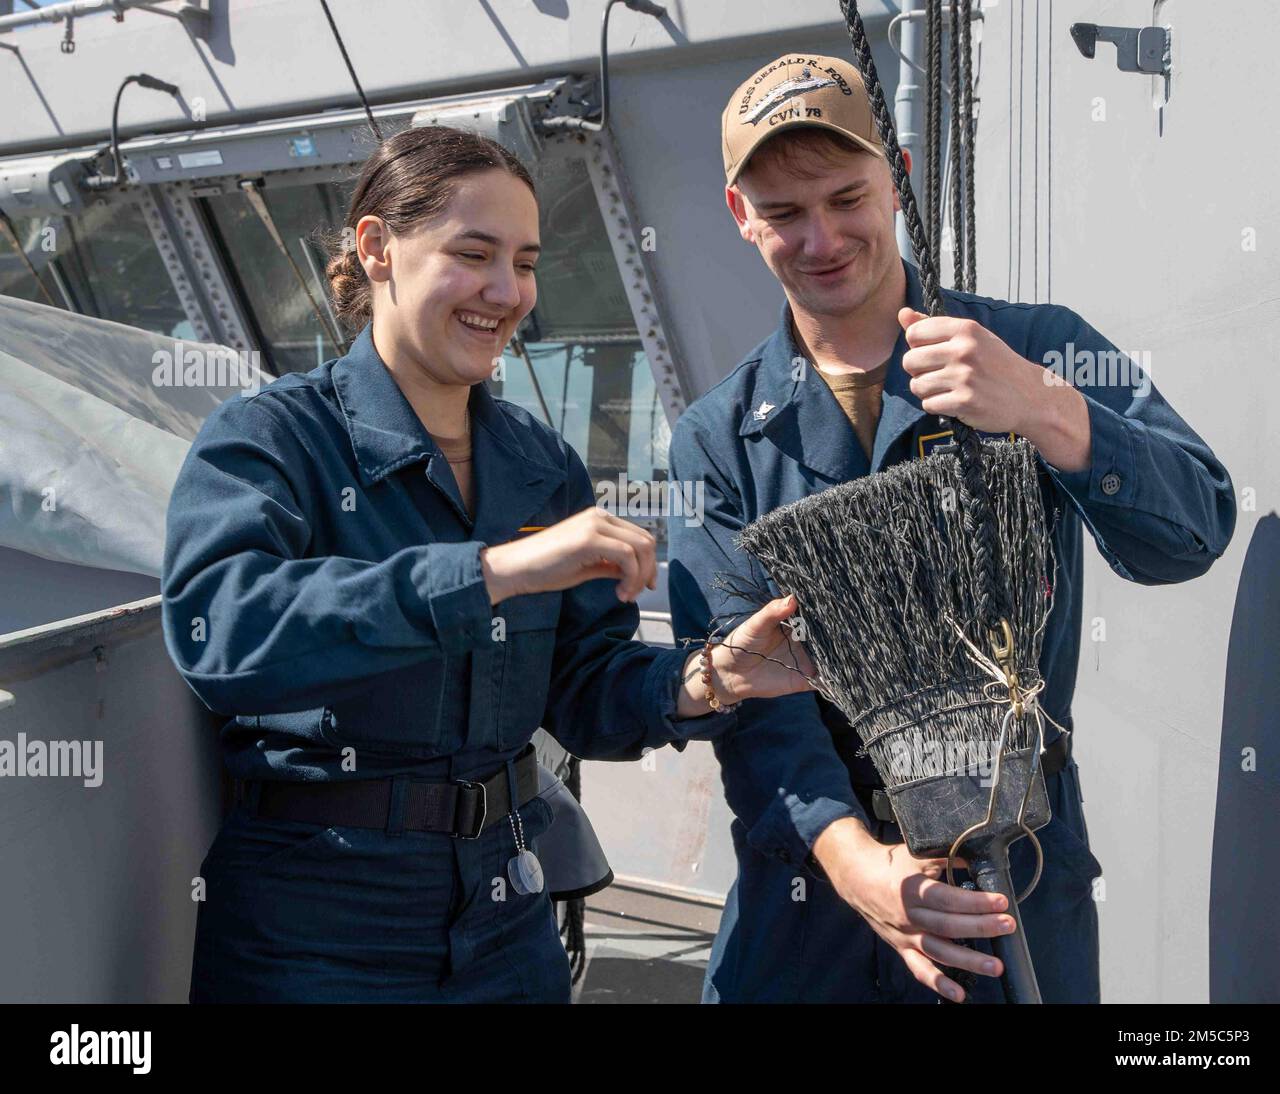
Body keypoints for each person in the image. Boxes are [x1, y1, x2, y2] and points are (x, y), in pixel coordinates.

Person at [161, 125, 813, 1003]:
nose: (507, 293)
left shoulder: (539, 466)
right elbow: (221, 632)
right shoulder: (272, 436)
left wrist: (703, 680)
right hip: (316, 923)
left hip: (508, 913)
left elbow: (583, 687)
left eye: (526, 262)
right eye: (474, 254)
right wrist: (490, 572)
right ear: (377, 247)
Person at [667, 53, 1237, 1003]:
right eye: (783, 214)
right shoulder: (717, 437)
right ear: (740, 214)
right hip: (814, 902)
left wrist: (1049, 409)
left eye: (848, 197)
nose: (822, 238)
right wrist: (861, 870)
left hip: (1015, 877)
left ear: (899, 173)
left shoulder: (1036, 344)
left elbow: (1193, 532)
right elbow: (748, 694)